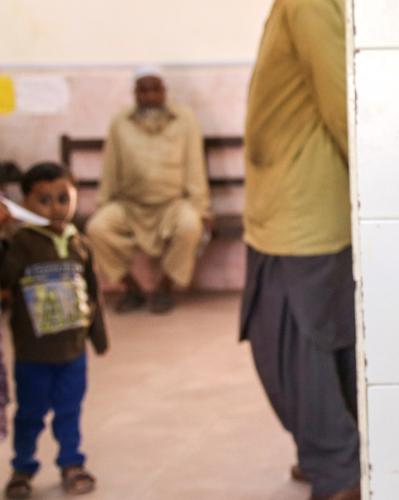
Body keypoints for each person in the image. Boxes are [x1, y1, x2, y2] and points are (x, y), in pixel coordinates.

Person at [239, 0, 357, 498]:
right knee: (316, 350)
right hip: (291, 209)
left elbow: (345, 108)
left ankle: (339, 474)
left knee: (297, 356)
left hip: (301, 217)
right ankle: (336, 463)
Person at [1, 163, 108, 498]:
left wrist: (98, 336)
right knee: (30, 413)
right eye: (44, 200)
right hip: (33, 353)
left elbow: (92, 292)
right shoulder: (21, 244)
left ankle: (71, 462)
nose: (56, 207)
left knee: (69, 409)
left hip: (73, 351)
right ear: (26, 202)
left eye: (64, 198)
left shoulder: (80, 244)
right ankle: (22, 467)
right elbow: (4, 282)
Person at [86, 66, 210, 314]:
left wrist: (202, 209)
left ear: (164, 91)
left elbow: (195, 167)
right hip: (129, 205)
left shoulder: (185, 120)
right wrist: (103, 203)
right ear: (135, 93)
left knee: (190, 226)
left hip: (172, 204)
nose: (150, 96)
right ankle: (130, 288)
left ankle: (165, 288)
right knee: (97, 228)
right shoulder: (120, 123)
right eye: (143, 90)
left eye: (155, 89)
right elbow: (110, 167)